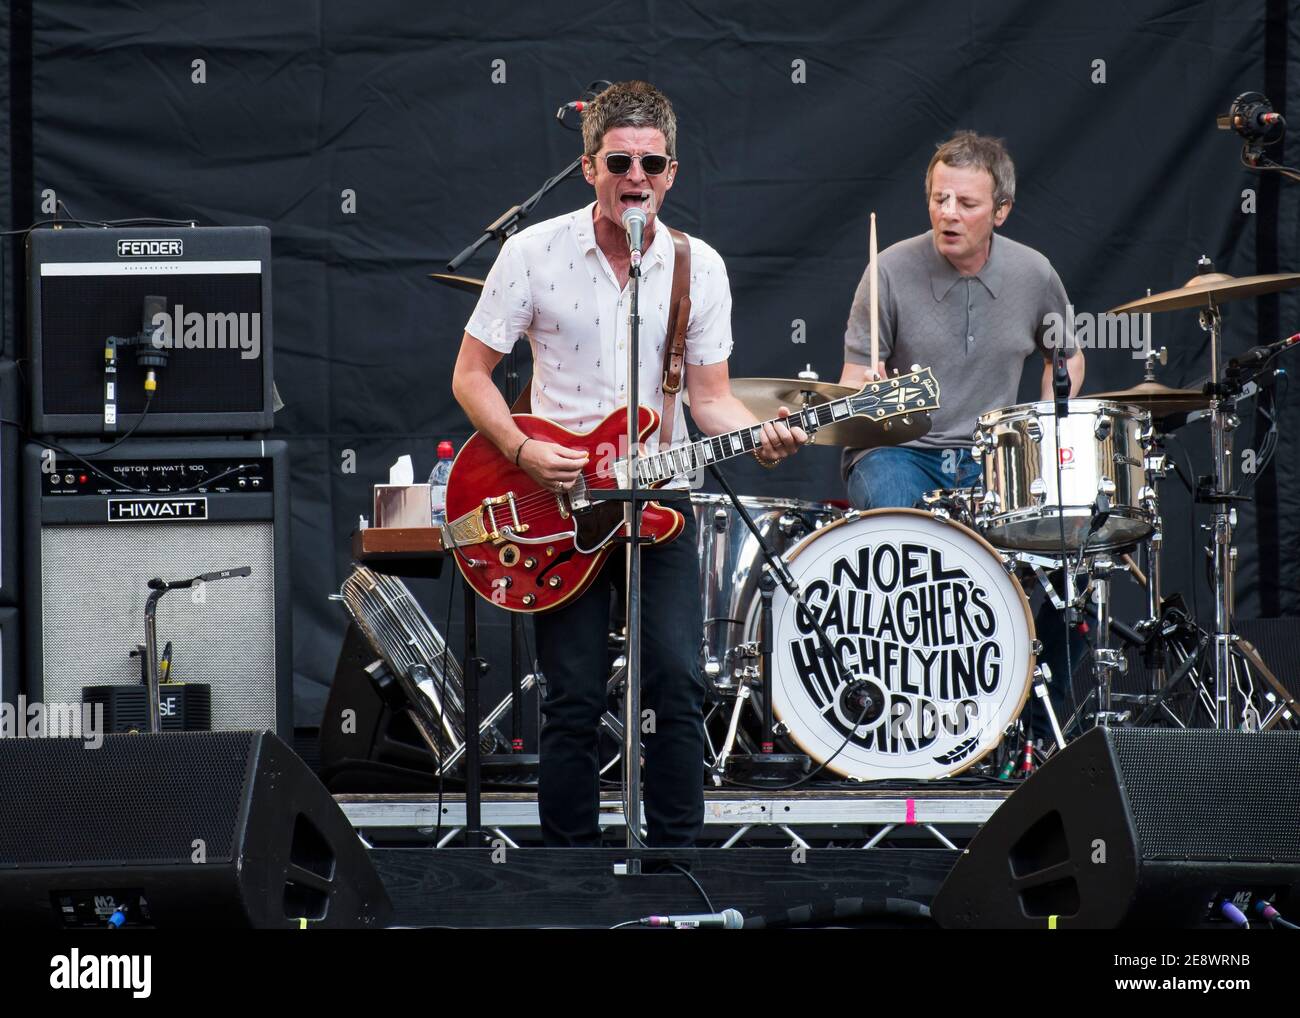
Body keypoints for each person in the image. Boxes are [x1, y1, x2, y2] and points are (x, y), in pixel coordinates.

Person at [451, 81, 806, 846]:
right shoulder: (531, 253)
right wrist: (519, 448)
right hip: (559, 503)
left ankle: (681, 858)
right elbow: (470, 375)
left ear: (672, 172)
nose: (635, 177)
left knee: (675, 681)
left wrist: (762, 435)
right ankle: (570, 870)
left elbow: (709, 400)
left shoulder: (695, 267)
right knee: (573, 693)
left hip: (661, 500)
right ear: (590, 166)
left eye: (652, 162)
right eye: (619, 160)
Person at [838, 130, 1086, 739]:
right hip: (902, 450)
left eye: (966, 203)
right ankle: (906, 719)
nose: (948, 213)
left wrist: (1041, 422)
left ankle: (1032, 729)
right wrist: (865, 394)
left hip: (992, 459)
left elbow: (1070, 359)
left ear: (1000, 210)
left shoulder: (1034, 273)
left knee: (1061, 564)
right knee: (903, 533)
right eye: (938, 198)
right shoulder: (889, 268)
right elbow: (847, 383)